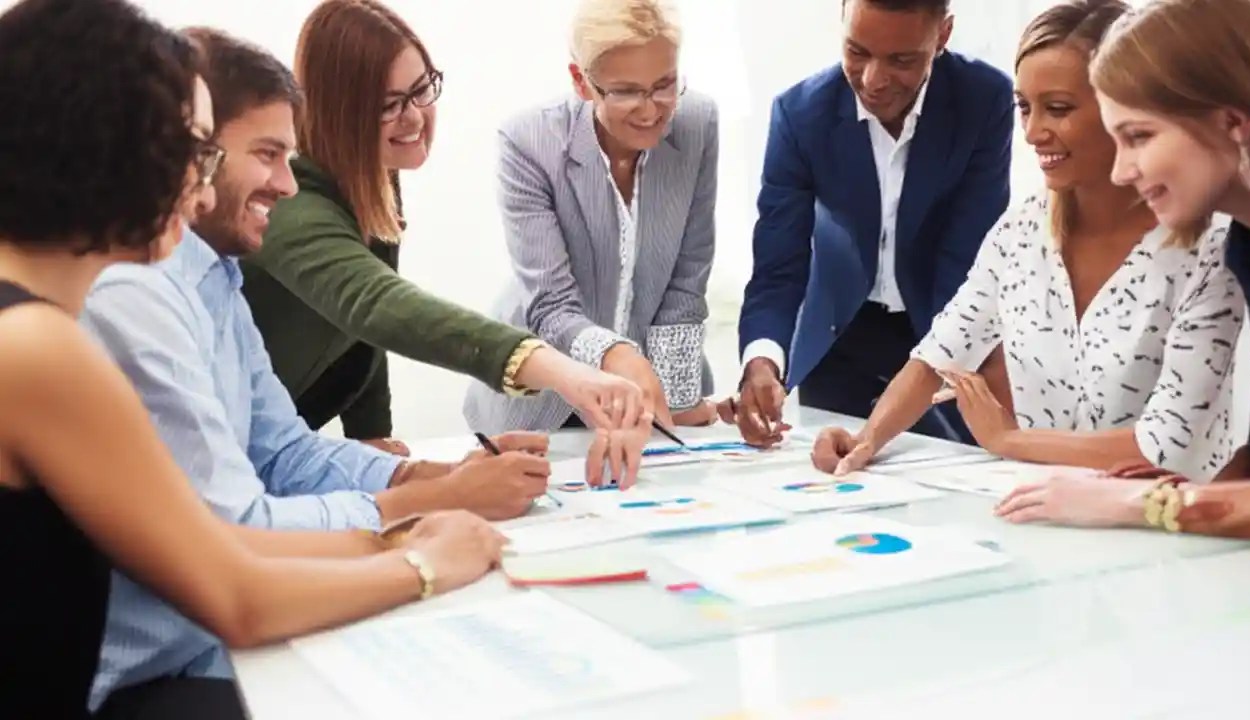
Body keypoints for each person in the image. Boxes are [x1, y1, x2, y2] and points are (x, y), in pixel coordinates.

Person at [0, 2, 502, 718]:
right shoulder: (37, 347)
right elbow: (233, 593)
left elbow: (213, 539)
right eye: (195, 151)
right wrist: (424, 563)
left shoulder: (40, 322)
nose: (202, 186)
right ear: (107, 141)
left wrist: (405, 525)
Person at [811, 0, 1244, 483]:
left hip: (1175, 537)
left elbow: (1171, 447)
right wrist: (867, 440)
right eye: (1024, 106)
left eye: (1058, 109)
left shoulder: (1209, 248)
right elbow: (937, 355)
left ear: (1126, 106)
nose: (1034, 132)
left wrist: (1009, 441)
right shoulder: (1019, 233)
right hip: (1048, 515)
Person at [240, 0, 651, 481]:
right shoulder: (293, 204)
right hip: (226, 459)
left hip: (278, 450)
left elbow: (365, 326)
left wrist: (370, 437)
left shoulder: (370, 174)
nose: (414, 118)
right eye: (387, 105)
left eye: (421, 90)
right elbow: (377, 304)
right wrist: (568, 374)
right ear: (336, 114)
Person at [994, 0, 1250, 535]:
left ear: (1233, 123)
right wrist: (1188, 502)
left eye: (1139, 137)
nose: (1123, 172)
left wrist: (1143, 505)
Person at [728, 0, 1014, 447]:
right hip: (839, 339)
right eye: (856, 51)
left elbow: (968, 259)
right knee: (836, 485)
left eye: (901, 60)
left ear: (942, 36)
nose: (873, 80)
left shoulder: (985, 99)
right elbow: (779, 267)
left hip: (945, 328)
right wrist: (762, 362)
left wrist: (931, 373)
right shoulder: (799, 114)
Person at [463, 0, 719, 437]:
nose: (651, 109)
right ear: (582, 82)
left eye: (665, 84)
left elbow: (686, 279)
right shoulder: (529, 142)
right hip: (540, 408)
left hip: (650, 403)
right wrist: (620, 357)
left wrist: (675, 400)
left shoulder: (697, 122)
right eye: (625, 90)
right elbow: (550, 305)